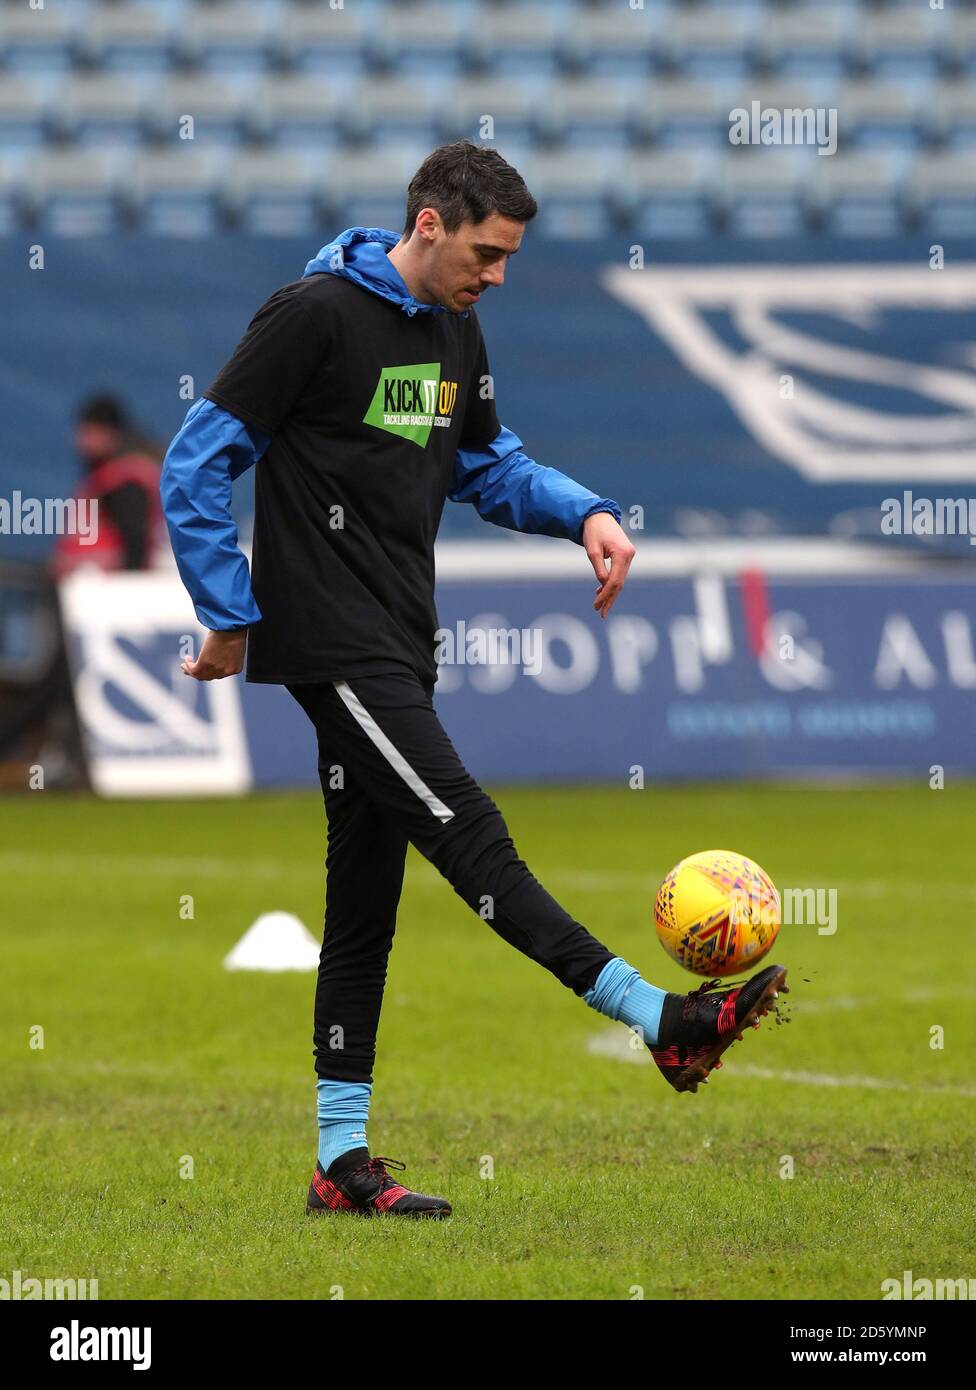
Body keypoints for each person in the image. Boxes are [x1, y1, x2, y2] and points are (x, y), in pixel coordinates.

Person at [160, 141, 787, 1220]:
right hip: (333, 643)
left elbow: (485, 464)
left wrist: (584, 510)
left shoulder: (457, 328)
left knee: (364, 904)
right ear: (428, 221)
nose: (496, 276)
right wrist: (228, 613)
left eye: (507, 259)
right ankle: (662, 1020)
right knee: (469, 835)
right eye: (487, 253)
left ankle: (340, 1163)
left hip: (402, 638)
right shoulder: (310, 316)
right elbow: (196, 457)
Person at [53, 395, 163, 576]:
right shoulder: (102, 477)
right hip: (87, 585)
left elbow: (136, 543)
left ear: (110, 434)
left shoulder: (126, 483)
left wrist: (127, 586)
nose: (81, 441)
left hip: (106, 589)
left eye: (89, 433)